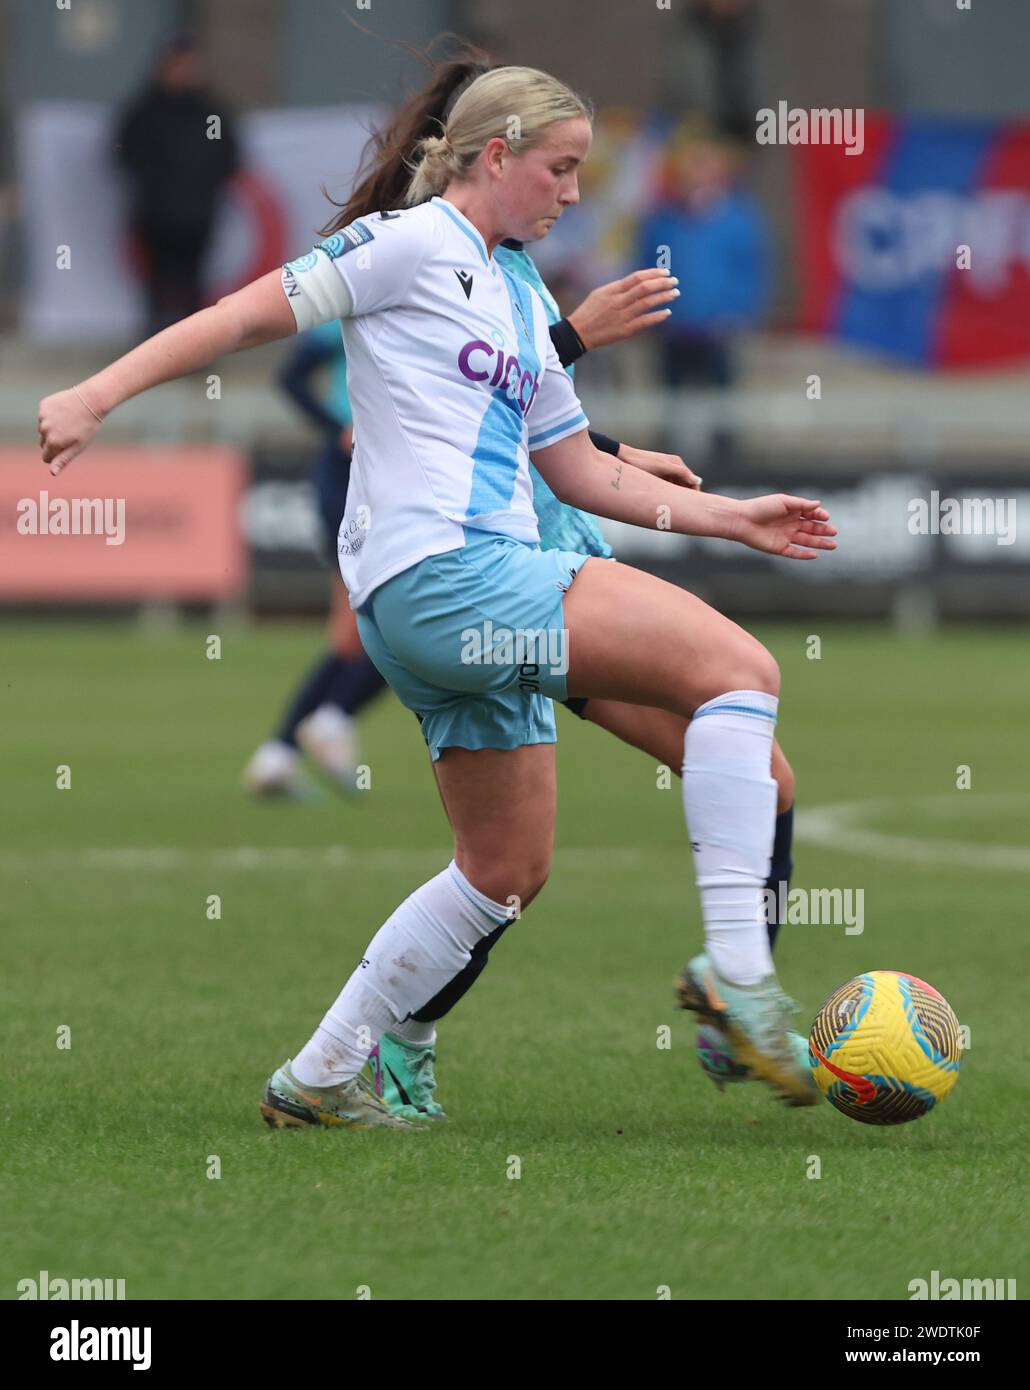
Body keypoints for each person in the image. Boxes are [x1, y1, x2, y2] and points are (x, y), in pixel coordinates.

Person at [39, 65, 837, 1132]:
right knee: (742, 672)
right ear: (494, 156)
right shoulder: (405, 244)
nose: (571, 193)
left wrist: (733, 517)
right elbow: (236, 319)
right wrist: (98, 392)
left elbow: (582, 476)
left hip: (437, 610)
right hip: (450, 575)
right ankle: (740, 979)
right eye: (558, 170)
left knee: (503, 872)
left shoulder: (521, 293)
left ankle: (321, 1075)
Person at [243, 322, 378, 797]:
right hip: (351, 475)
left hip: (381, 472)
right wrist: (337, 428)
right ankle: (330, 718)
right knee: (395, 622)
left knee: (354, 632)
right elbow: (291, 376)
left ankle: (279, 753)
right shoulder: (358, 293)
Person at [113, 33, 240, 336]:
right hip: (155, 214)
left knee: (195, 284)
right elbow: (123, 154)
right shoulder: (143, 111)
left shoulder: (213, 111)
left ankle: (195, 348)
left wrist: (201, 187)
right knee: (154, 285)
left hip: (198, 215)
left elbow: (230, 158)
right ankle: (151, 349)